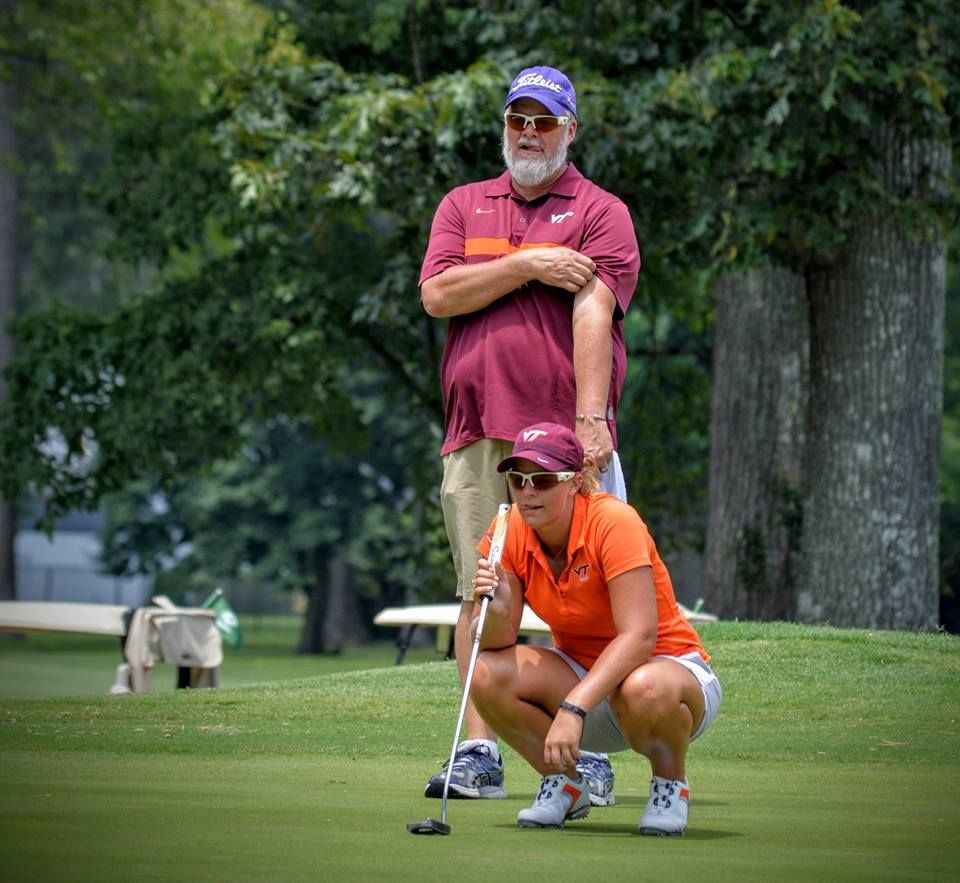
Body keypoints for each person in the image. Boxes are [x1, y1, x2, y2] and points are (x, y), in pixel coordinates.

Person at [418, 64, 640, 804]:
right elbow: (438, 293)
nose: (529, 133)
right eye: (518, 119)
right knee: (483, 595)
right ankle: (480, 753)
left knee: (592, 603)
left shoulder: (601, 211)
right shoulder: (463, 203)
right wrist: (528, 265)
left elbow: (593, 312)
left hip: (564, 443)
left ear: (571, 129)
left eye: (544, 121)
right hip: (476, 432)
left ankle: (591, 743)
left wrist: (590, 423)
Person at [468, 422, 722, 835]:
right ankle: (564, 783)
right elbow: (497, 643)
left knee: (645, 686)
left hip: (668, 674)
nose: (528, 491)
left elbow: (640, 637)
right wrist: (496, 610)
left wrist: (573, 707)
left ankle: (670, 785)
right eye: (518, 479)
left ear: (575, 483)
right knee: (486, 673)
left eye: (544, 479)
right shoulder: (508, 527)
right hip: (585, 679)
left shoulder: (613, 521)